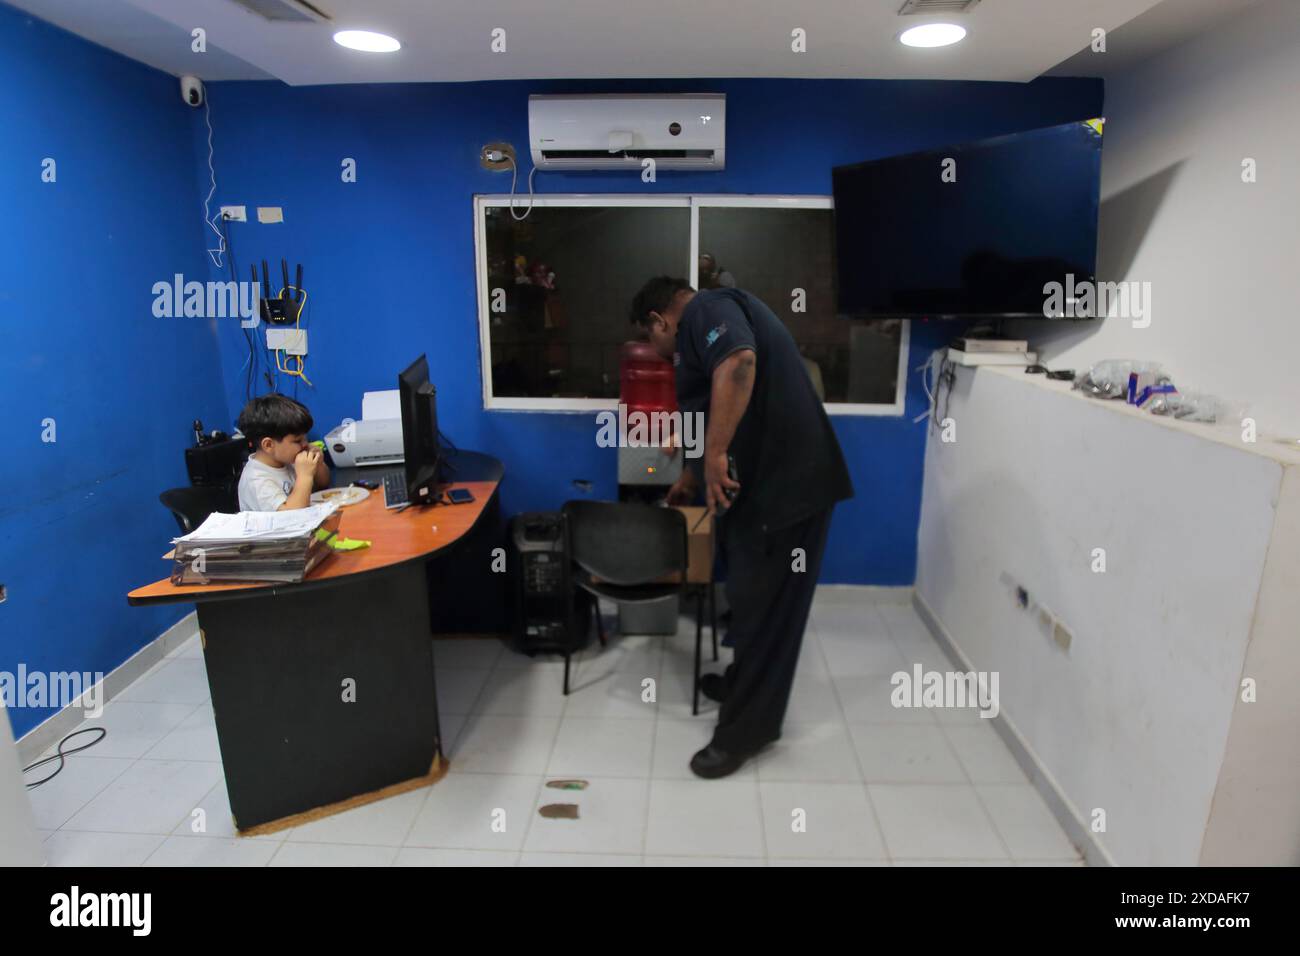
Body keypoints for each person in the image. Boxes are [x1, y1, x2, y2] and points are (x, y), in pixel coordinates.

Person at [628, 277, 853, 778]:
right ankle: (742, 683)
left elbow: (739, 363)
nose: (661, 357)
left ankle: (745, 734)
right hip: (762, 497)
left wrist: (712, 455)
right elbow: (715, 404)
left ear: (659, 321)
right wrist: (692, 473)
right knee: (750, 605)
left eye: (654, 344)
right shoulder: (702, 330)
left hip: (788, 497)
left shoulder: (707, 308)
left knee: (771, 616)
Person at [235, 394, 330, 511]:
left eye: (305, 438)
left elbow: (323, 485)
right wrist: (305, 476)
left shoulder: (286, 458)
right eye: (298, 440)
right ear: (269, 445)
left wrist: (319, 464)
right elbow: (289, 515)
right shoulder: (256, 480)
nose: (305, 444)